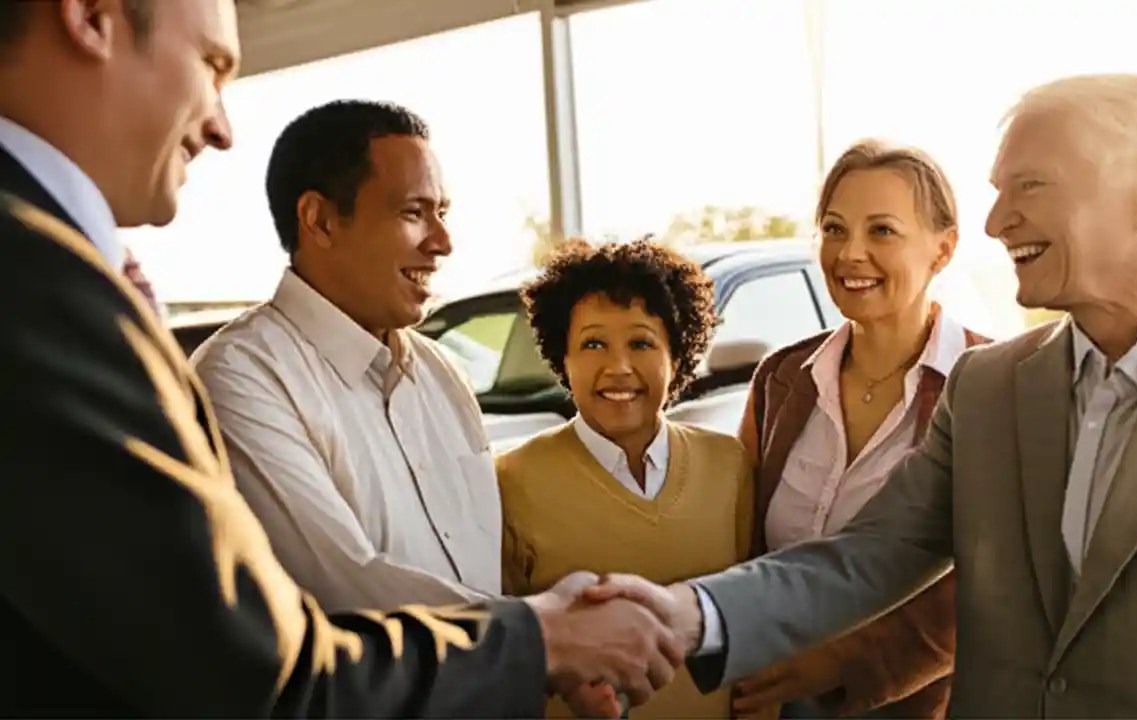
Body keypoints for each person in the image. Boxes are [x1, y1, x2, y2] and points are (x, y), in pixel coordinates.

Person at [0, 0, 681, 715]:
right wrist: (544, 642)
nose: (222, 129)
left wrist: (544, 648)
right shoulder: (67, 299)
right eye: (211, 64)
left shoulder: (442, 374)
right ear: (90, 16)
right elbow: (270, 649)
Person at [585, 73, 1137, 718]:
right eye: (999, 191)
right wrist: (684, 614)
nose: (996, 221)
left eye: (1030, 186)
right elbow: (865, 556)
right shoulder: (988, 390)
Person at [193, 100, 497, 612]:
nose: (442, 242)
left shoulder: (441, 373)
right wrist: (547, 639)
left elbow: (490, 565)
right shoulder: (241, 378)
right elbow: (345, 588)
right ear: (322, 220)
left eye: (441, 213)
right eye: (413, 212)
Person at [733, 140, 989, 720]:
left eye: (882, 231)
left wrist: (839, 663)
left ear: (943, 249)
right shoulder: (781, 379)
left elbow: (993, 587)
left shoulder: (992, 386)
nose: (850, 254)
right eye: (834, 229)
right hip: (771, 699)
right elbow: (745, 544)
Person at [499, 238, 753, 718]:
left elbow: (750, 615)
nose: (617, 367)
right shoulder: (513, 481)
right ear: (563, 359)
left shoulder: (730, 466)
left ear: (678, 356)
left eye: (641, 343)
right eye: (592, 344)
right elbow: (502, 655)